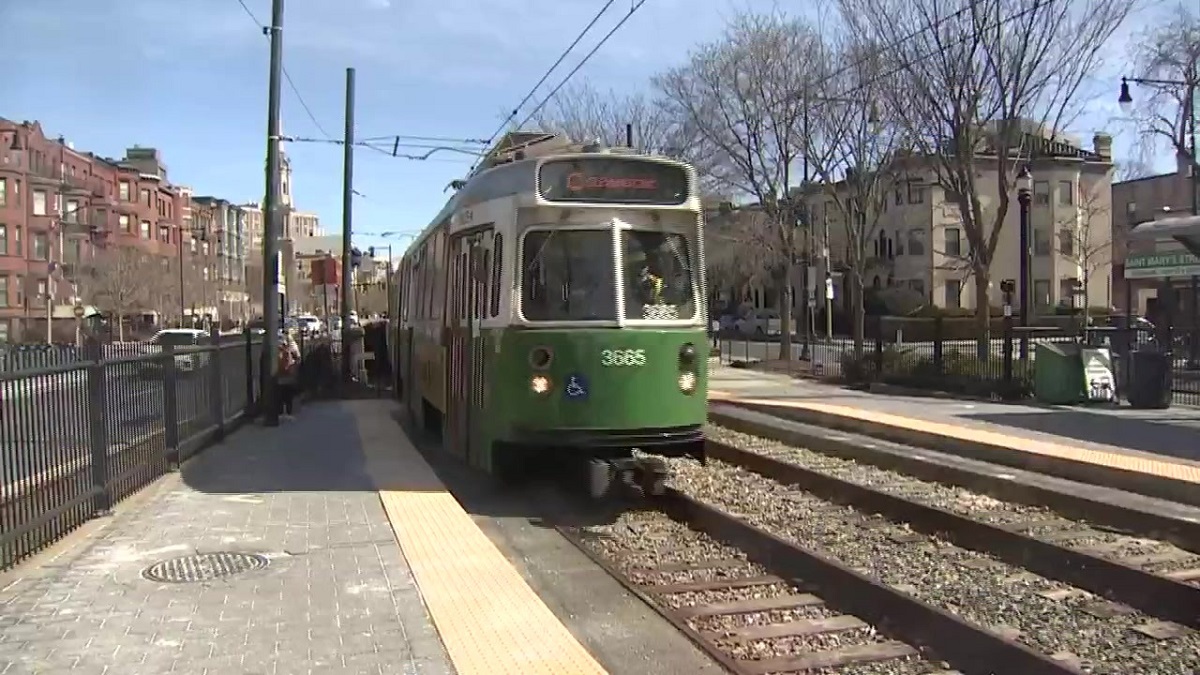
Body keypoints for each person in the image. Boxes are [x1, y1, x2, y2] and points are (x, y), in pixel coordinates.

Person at [277, 331, 301, 418]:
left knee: (279, 394)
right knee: (288, 394)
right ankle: (288, 411)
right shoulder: (291, 344)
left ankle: (280, 412)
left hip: (278, 374)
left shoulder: (275, 345)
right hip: (289, 374)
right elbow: (297, 357)